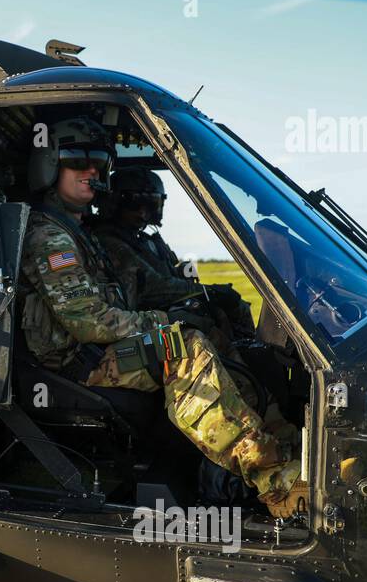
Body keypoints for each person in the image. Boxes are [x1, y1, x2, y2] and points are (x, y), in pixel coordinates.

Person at [19, 117, 301, 515]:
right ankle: (274, 482)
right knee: (183, 347)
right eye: (76, 163)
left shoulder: (76, 230)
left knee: (214, 340)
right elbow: (89, 322)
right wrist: (160, 324)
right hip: (83, 364)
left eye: (98, 164)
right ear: (49, 167)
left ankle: (285, 446)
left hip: (100, 353)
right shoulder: (50, 236)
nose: (91, 172)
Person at [89, 166, 254, 337]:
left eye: (151, 205)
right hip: (143, 321)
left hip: (160, 312)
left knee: (226, 310)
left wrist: (179, 273)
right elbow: (153, 287)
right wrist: (207, 291)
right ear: (114, 203)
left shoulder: (143, 240)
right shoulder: (108, 241)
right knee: (212, 323)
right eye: (134, 204)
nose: (143, 213)